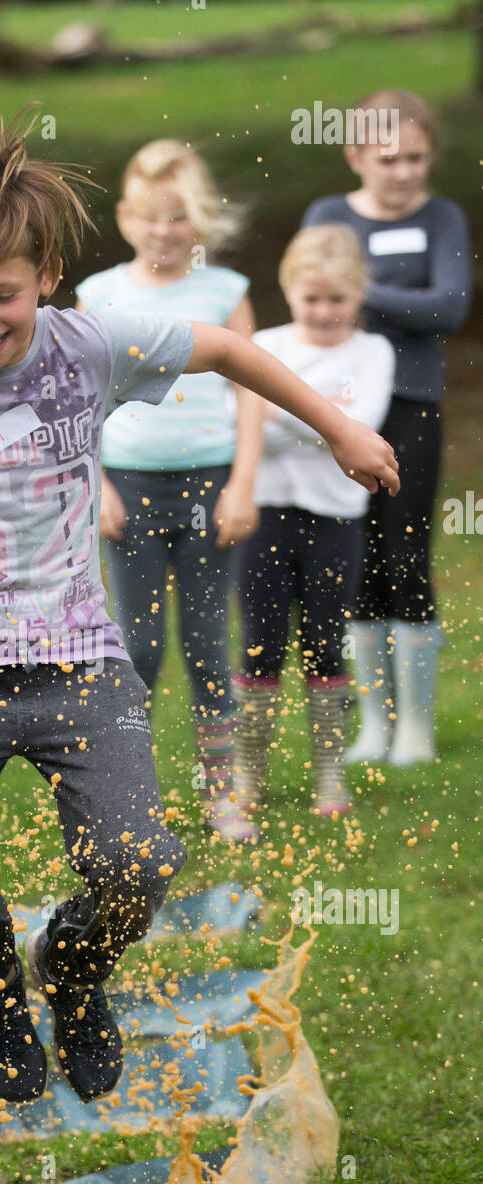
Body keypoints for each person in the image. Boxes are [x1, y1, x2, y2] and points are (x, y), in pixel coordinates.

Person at [0, 105, 399, 1110]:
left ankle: (68, 969)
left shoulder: (91, 346)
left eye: (3, 295)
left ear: (46, 276)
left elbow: (229, 352)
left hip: (77, 659)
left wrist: (333, 432)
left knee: (138, 860)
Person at [75, 139, 261, 843]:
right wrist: (96, 486)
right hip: (127, 488)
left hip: (212, 485)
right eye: (150, 217)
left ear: (200, 219)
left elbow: (252, 393)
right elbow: (77, 401)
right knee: (141, 647)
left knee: (210, 643)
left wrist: (243, 483)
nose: (163, 231)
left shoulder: (225, 291)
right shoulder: (98, 296)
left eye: (178, 217)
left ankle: (224, 795)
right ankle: (129, 796)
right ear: (125, 218)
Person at [301, 89, 473, 766]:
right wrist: (354, 302)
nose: (404, 172)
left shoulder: (444, 218)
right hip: (339, 406)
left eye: (417, 158)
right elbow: (308, 291)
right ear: (356, 156)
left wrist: (357, 293)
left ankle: (417, 730)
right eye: (389, 158)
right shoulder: (327, 215)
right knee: (355, 562)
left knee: (406, 555)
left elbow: (450, 307)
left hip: (410, 402)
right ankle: (376, 724)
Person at [233, 225, 395, 816]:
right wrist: (330, 421)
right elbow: (248, 427)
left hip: (337, 520)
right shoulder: (266, 345)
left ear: (360, 295)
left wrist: (279, 407)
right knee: (260, 647)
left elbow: (363, 428)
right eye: (312, 298)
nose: (324, 311)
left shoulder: (374, 353)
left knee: (325, 646)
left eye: (339, 299)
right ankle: (249, 778)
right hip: (268, 517)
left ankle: (331, 776)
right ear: (288, 288)